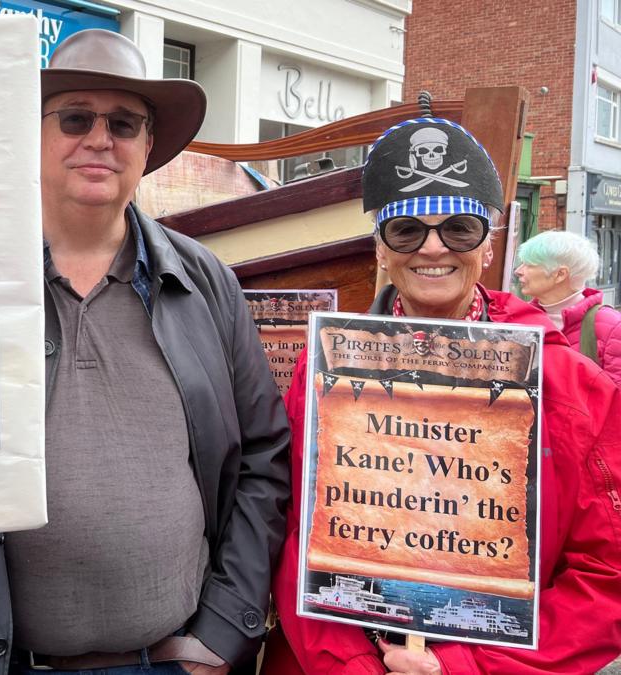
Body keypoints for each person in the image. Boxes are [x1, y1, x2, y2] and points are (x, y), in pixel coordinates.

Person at [0, 29, 291, 675]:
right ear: (30, 133)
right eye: (74, 117)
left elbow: (264, 459)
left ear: (148, 146)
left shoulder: (207, 284)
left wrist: (225, 626)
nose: (100, 138)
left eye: (124, 122)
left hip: (172, 660)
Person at [265, 111, 621, 674]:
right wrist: (358, 666)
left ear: (488, 244)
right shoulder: (323, 367)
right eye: (406, 229)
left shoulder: (572, 388)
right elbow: (289, 530)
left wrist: (460, 667)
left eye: (459, 228)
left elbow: (607, 576)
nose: (433, 248)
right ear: (379, 247)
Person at [515, 230, 621, 387]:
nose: (518, 271)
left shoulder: (612, 327)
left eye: (529, 264)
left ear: (560, 274)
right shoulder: (519, 319)